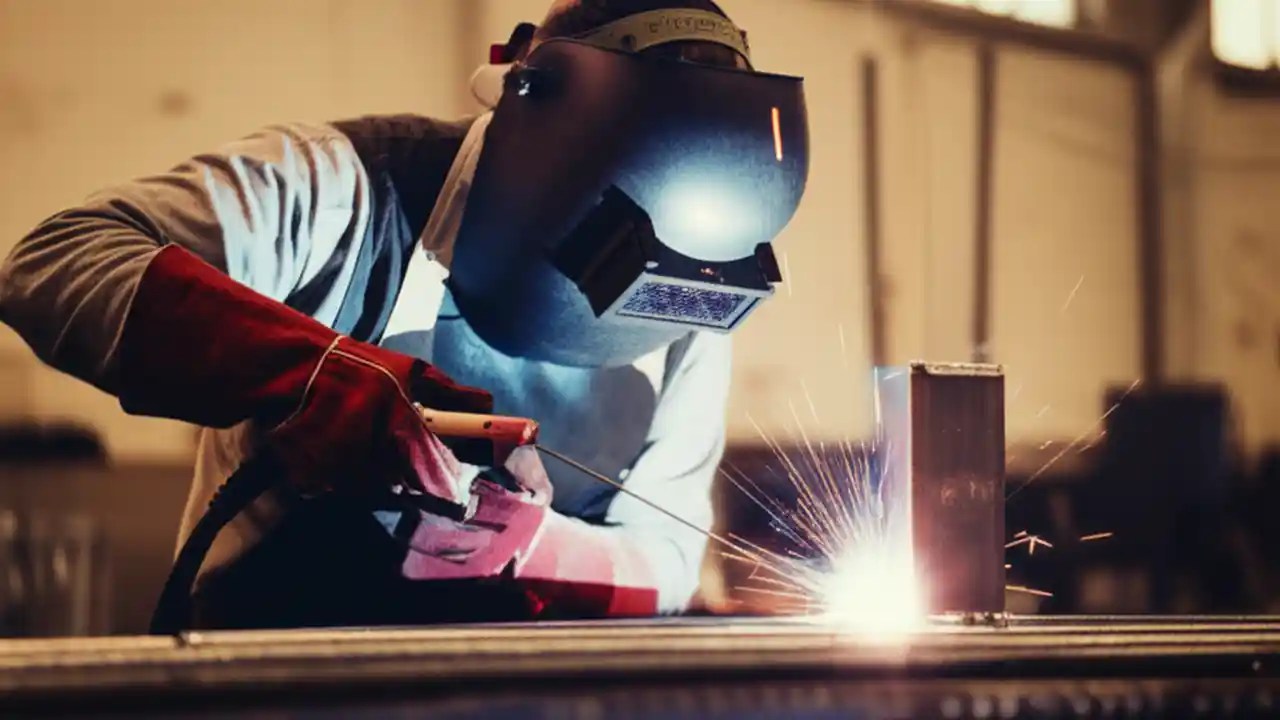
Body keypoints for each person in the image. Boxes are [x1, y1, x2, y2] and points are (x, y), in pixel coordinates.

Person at [0, 0, 807, 629]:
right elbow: (54, 262)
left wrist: (526, 543)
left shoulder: (693, 295)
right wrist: (310, 376)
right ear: (520, 112)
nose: (632, 294)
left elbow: (667, 559)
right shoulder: (342, 189)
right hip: (283, 680)